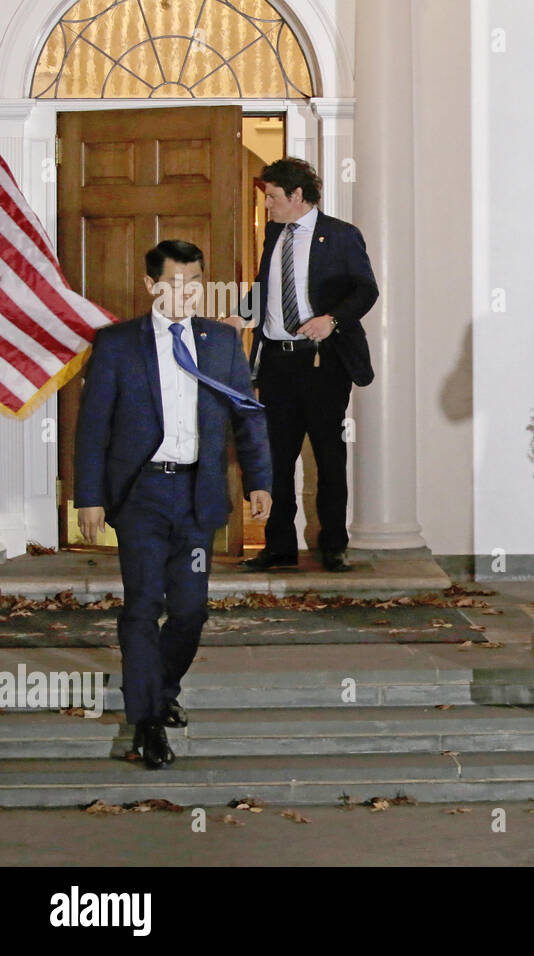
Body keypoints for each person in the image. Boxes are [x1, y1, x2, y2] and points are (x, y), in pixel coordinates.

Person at [74, 240, 272, 769]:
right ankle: (145, 722)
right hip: (141, 494)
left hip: (198, 494)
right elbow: (93, 427)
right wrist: (88, 497)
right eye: (173, 283)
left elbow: (247, 416)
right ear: (150, 286)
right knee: (142, 606)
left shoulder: (223, 342)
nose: (185, 293)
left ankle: (162, 689)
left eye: (194, 283)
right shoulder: (117, 344)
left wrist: (260, 480)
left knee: (189, 611)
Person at [238, 157, 378, 574]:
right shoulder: (274, 236)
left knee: (328, 457)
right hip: (277, 365)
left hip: (323, 362)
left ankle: (333, 546)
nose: (268, 206)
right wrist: (239, 316)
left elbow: (366, 290)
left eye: (273, 198)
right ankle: (278, 547)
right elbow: (264, 290)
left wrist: (331, 319)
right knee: (276, 458)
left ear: (297, 196)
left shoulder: (340, 235)